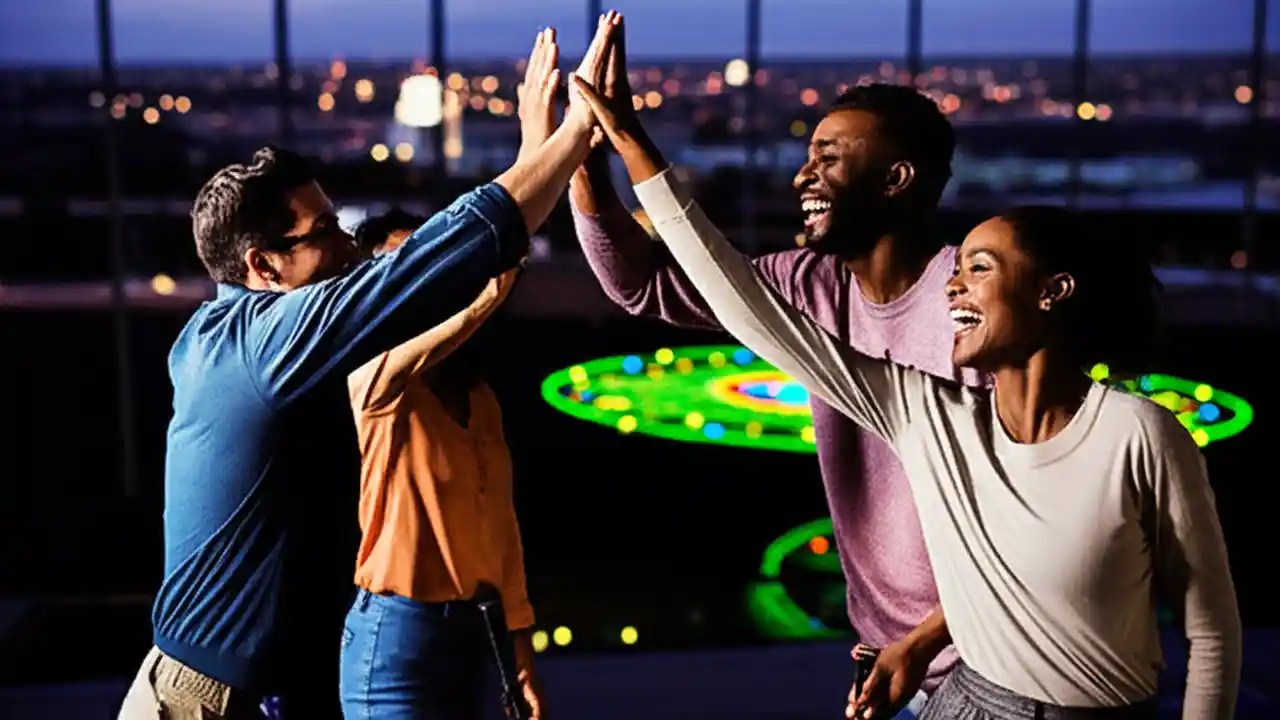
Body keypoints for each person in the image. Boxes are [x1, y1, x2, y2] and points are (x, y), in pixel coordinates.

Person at [576, 68, 1243, 719]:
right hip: (929, 677)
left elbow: (1194, 625)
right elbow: (720, 296)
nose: (959, 285)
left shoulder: (1131, 433)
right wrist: (598, 152)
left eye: (978, 269)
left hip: (967, 666)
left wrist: (927, 639)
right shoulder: (915, 397)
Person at [117, 24, 605, 719]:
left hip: (279, 690)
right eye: (323, 233)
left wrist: (538, 156)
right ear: (262, 266)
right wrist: (560, 144)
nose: (349, 246)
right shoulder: (261, 343)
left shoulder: (244, 339)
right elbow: (426, 268)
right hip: (207, 704)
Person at [568, 17, 978, 720]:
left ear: (896, 179)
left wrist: (924, 641)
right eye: (806, 157)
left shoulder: (968, 303)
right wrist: (586, 153)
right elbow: (639, 282)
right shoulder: (804, 284)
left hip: (984, 665)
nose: (801, 176)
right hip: (888, 664)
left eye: (829, 158)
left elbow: (1028, 524)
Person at [338, 205, 533, 720]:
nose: (426, 277)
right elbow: (394, 363)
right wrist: (484, 300)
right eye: (404, 267)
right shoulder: (377, 385)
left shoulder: (478, 397)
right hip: (395, 641)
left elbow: (502, 533)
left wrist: (520, 652)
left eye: (432, 262)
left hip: (471, 637)